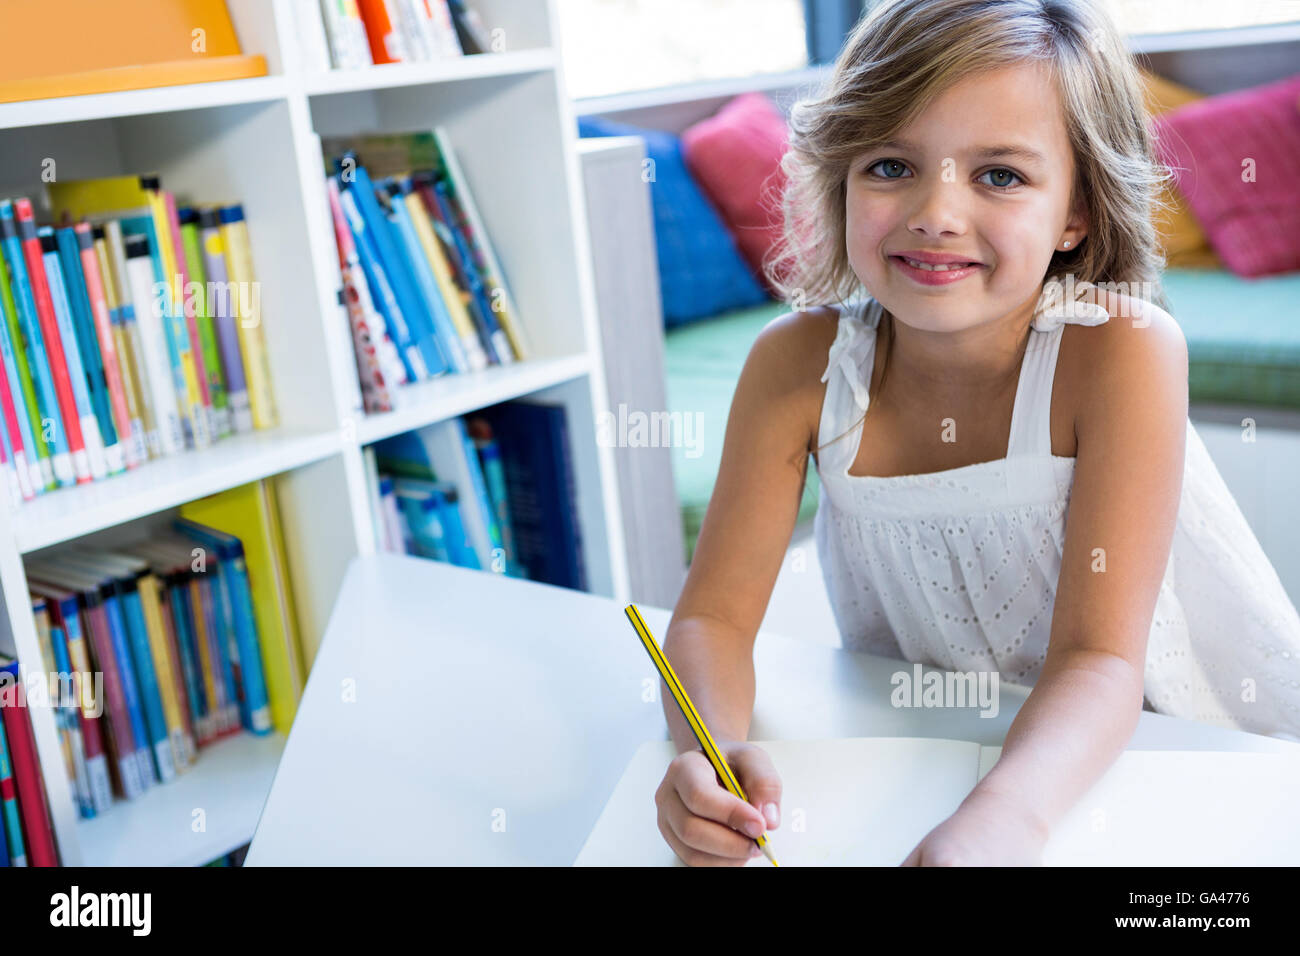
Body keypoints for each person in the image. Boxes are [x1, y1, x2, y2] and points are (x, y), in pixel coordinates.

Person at [654, 0, 1300, 867]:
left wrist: (1008, 817)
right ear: (841, 178)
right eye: (890, 164)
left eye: (999, 175)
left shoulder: (1123, 355)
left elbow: (1101, 662)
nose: (935, 213)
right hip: (925, 752)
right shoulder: (796, 363)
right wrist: (706, 750)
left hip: (1154, 758)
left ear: (1075, 213)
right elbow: (713, 620)